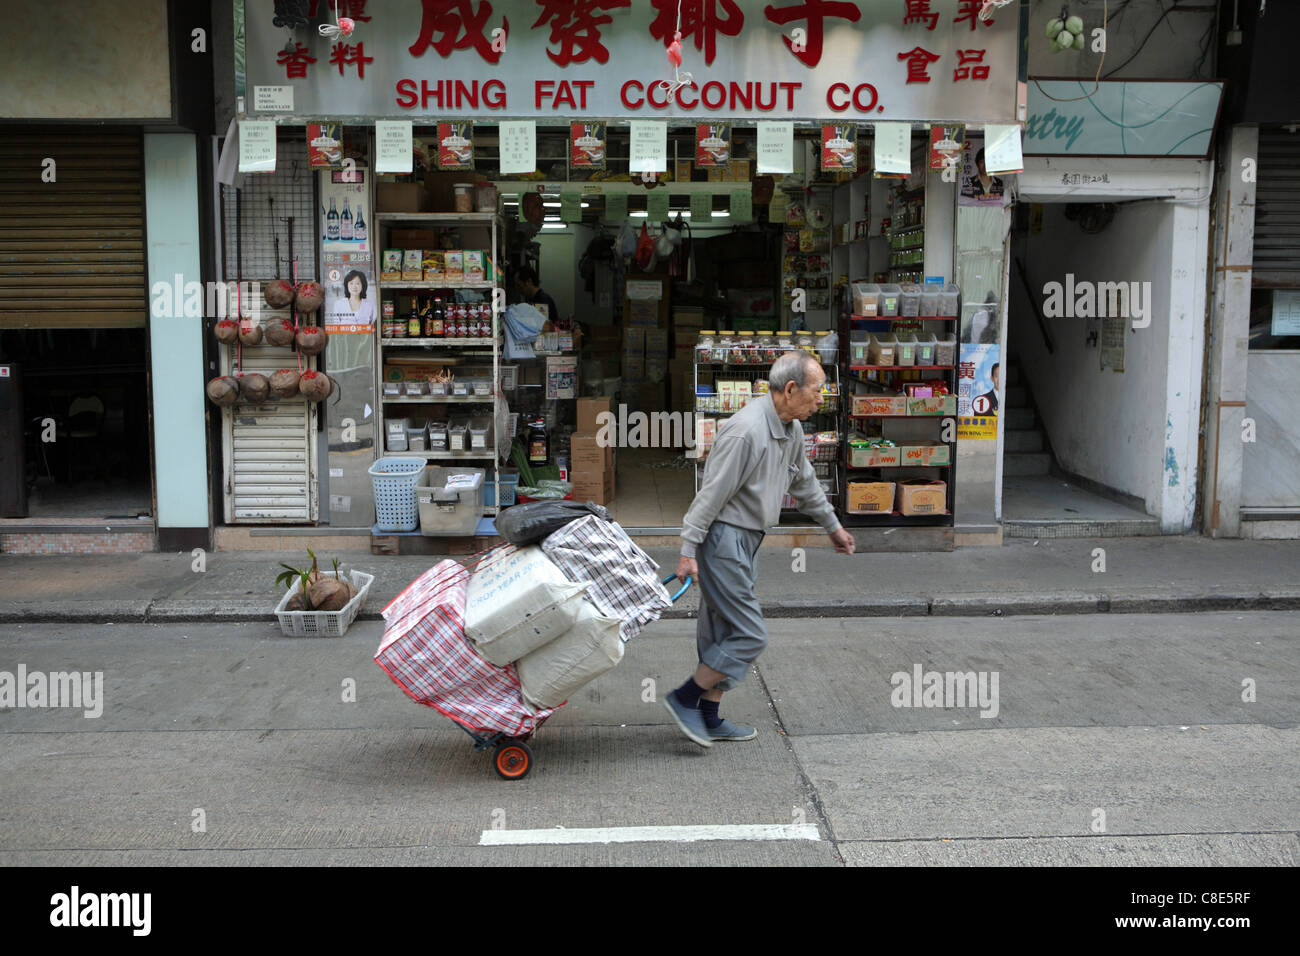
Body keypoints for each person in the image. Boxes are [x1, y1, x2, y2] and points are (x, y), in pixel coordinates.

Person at [664, 350, 856, 747]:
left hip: (748, 538)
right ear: (790, 389)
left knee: (723, 629)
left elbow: (804, 484)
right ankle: (684, 699)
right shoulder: (745, 431)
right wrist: (688, 549)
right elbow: (710, 495)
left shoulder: (791, 429)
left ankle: (709, 717)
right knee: (749, 633)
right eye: (818, 391)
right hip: (723, 539)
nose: (823, 398)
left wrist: (832, 526)